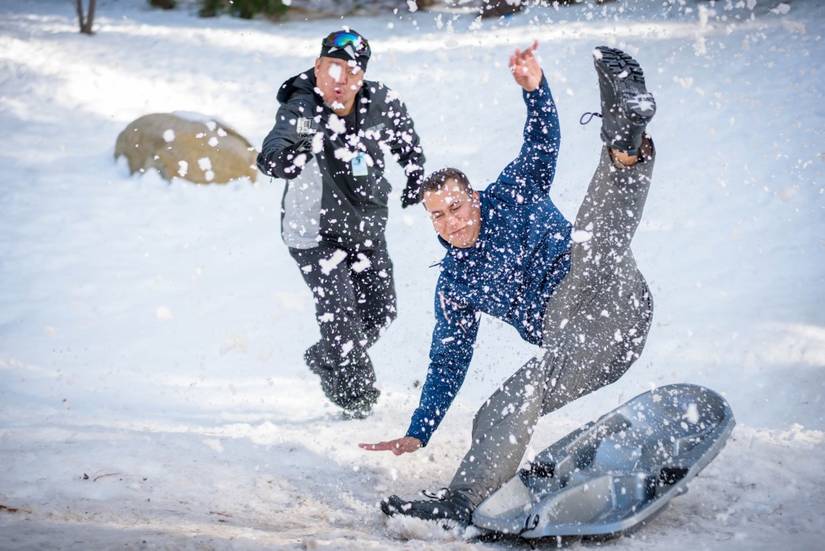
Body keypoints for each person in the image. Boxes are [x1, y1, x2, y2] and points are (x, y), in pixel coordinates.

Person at [360, 42, 657, 524]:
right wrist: (421, 428)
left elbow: (542, 142)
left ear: (473, 197)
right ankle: (459, 503)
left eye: (455, 207)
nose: (450, 222)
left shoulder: (514, 190)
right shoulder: (456, 284)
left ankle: (625, 146)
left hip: (612, 296)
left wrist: (535, 90)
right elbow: (449, 358)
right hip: (581, 348)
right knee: (501, 406)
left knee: (591, 244)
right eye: (437, 216)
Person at [257, 29, 426, 418]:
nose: (341, 81)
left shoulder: (381, 101)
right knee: (342, 317)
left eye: (352, 72)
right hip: (314, 234)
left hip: (366, 229)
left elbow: (406, 137)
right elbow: (275, 147)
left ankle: (327, 353)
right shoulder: (302, 109)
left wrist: (415, 172)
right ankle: (357, 404)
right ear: (318, 67)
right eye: (334, 68)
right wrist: (284, 159)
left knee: (381, 313)